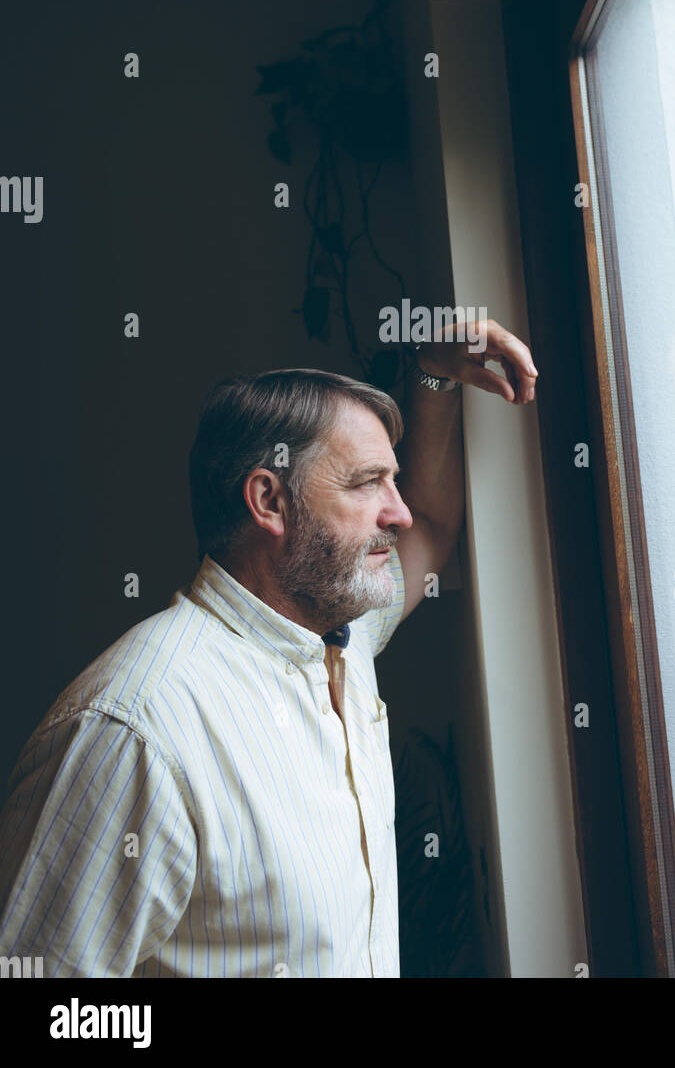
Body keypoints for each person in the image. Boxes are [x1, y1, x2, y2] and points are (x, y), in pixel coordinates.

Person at [0, 319, 537, 977]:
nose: (395, 512)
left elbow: (427, 526)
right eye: (367, 483)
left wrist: (433, 371)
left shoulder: (344, 635)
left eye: (392, 483)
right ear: (269, 500)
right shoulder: (135, 732)